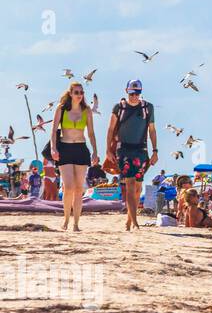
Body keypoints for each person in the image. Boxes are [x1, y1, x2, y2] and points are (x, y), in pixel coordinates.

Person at [105, 79, 158, 232]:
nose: (134, 96)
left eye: (137, 93)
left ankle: (129, 220)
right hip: (124, 150)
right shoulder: (119, 107)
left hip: (141, 150)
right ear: (126, 91)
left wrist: (155, 151)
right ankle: (135, 222)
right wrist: (108, 150)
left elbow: (152, 130)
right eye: (131, 93)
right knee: (129, 184)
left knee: (138, 187)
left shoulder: (148, 107)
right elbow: (110, 129)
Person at [49, 82, 99, 232]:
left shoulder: (87, 110)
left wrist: (95, 151)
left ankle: (76, 224)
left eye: (81, 92)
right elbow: (53, 130)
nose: (79, 95)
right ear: (70, 93)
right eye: (76, 92)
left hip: (81, 149)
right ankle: (65, 220)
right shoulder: (61, 108)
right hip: (65, 148)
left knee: (79, 188)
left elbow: (91, 133)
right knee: (68, 186)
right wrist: (53, 148)